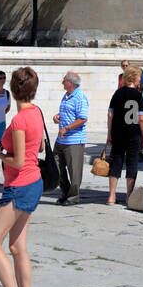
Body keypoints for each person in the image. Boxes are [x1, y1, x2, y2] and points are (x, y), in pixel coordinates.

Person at [0, 66, 44, 287]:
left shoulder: (19, 120)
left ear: (12, 90)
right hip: (34, 182)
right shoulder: (36, 112)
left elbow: (18, 161)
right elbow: (38, 146)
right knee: (17, 247)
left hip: (18, 185)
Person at [105, 66, 143, 205]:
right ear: (134, 78)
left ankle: (111, 196)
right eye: (139, 77)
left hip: (117, 131)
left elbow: (110, 114)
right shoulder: (137, 95)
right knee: (132, 162)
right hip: (133, 132)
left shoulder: (117, 93)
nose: (140, 79)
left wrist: (109, 133)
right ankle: (129, 196)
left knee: (116, 161)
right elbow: (142, 118)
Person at [53, 72, 88, 206]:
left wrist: (66, 128)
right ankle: (65, 192)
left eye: (64, 80)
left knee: (74, 170)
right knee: (57, 167)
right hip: (61, 140)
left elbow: (83, 118)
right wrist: (57, 116)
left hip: (74, 140)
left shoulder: (80, 97)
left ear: (71, 83)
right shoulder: (66, 96)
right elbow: (68, 113)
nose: (62, 82)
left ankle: (73, 197)